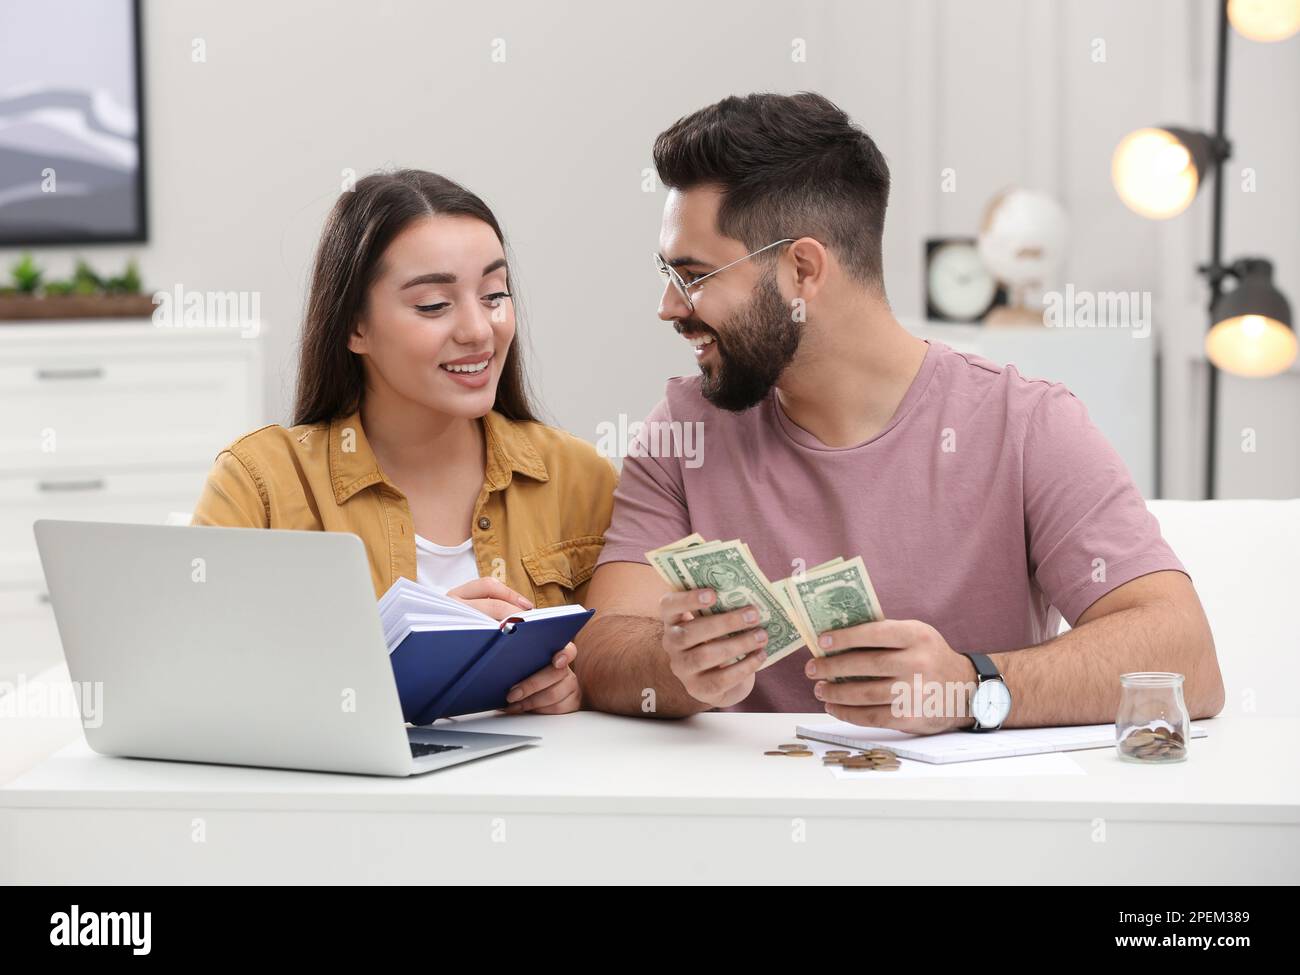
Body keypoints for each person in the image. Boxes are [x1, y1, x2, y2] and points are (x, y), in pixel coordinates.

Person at [575, 92, 1224, 731]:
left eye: (692, 275)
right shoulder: (684, 430)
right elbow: (598, 649)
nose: (668, 305)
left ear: (802, 269)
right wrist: (674, 665)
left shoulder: (1027, 425)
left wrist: (968, 687)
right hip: (749, 828)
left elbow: (1186, 657)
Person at [192, 170, 616, 715]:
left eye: (494, 295)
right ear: (355, 328)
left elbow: (625, 660)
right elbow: (198, 683)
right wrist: (395, 647)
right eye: (434, 305)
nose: (479, 330)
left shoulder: (582, 477)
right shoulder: (260, 483)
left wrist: (581, 691)